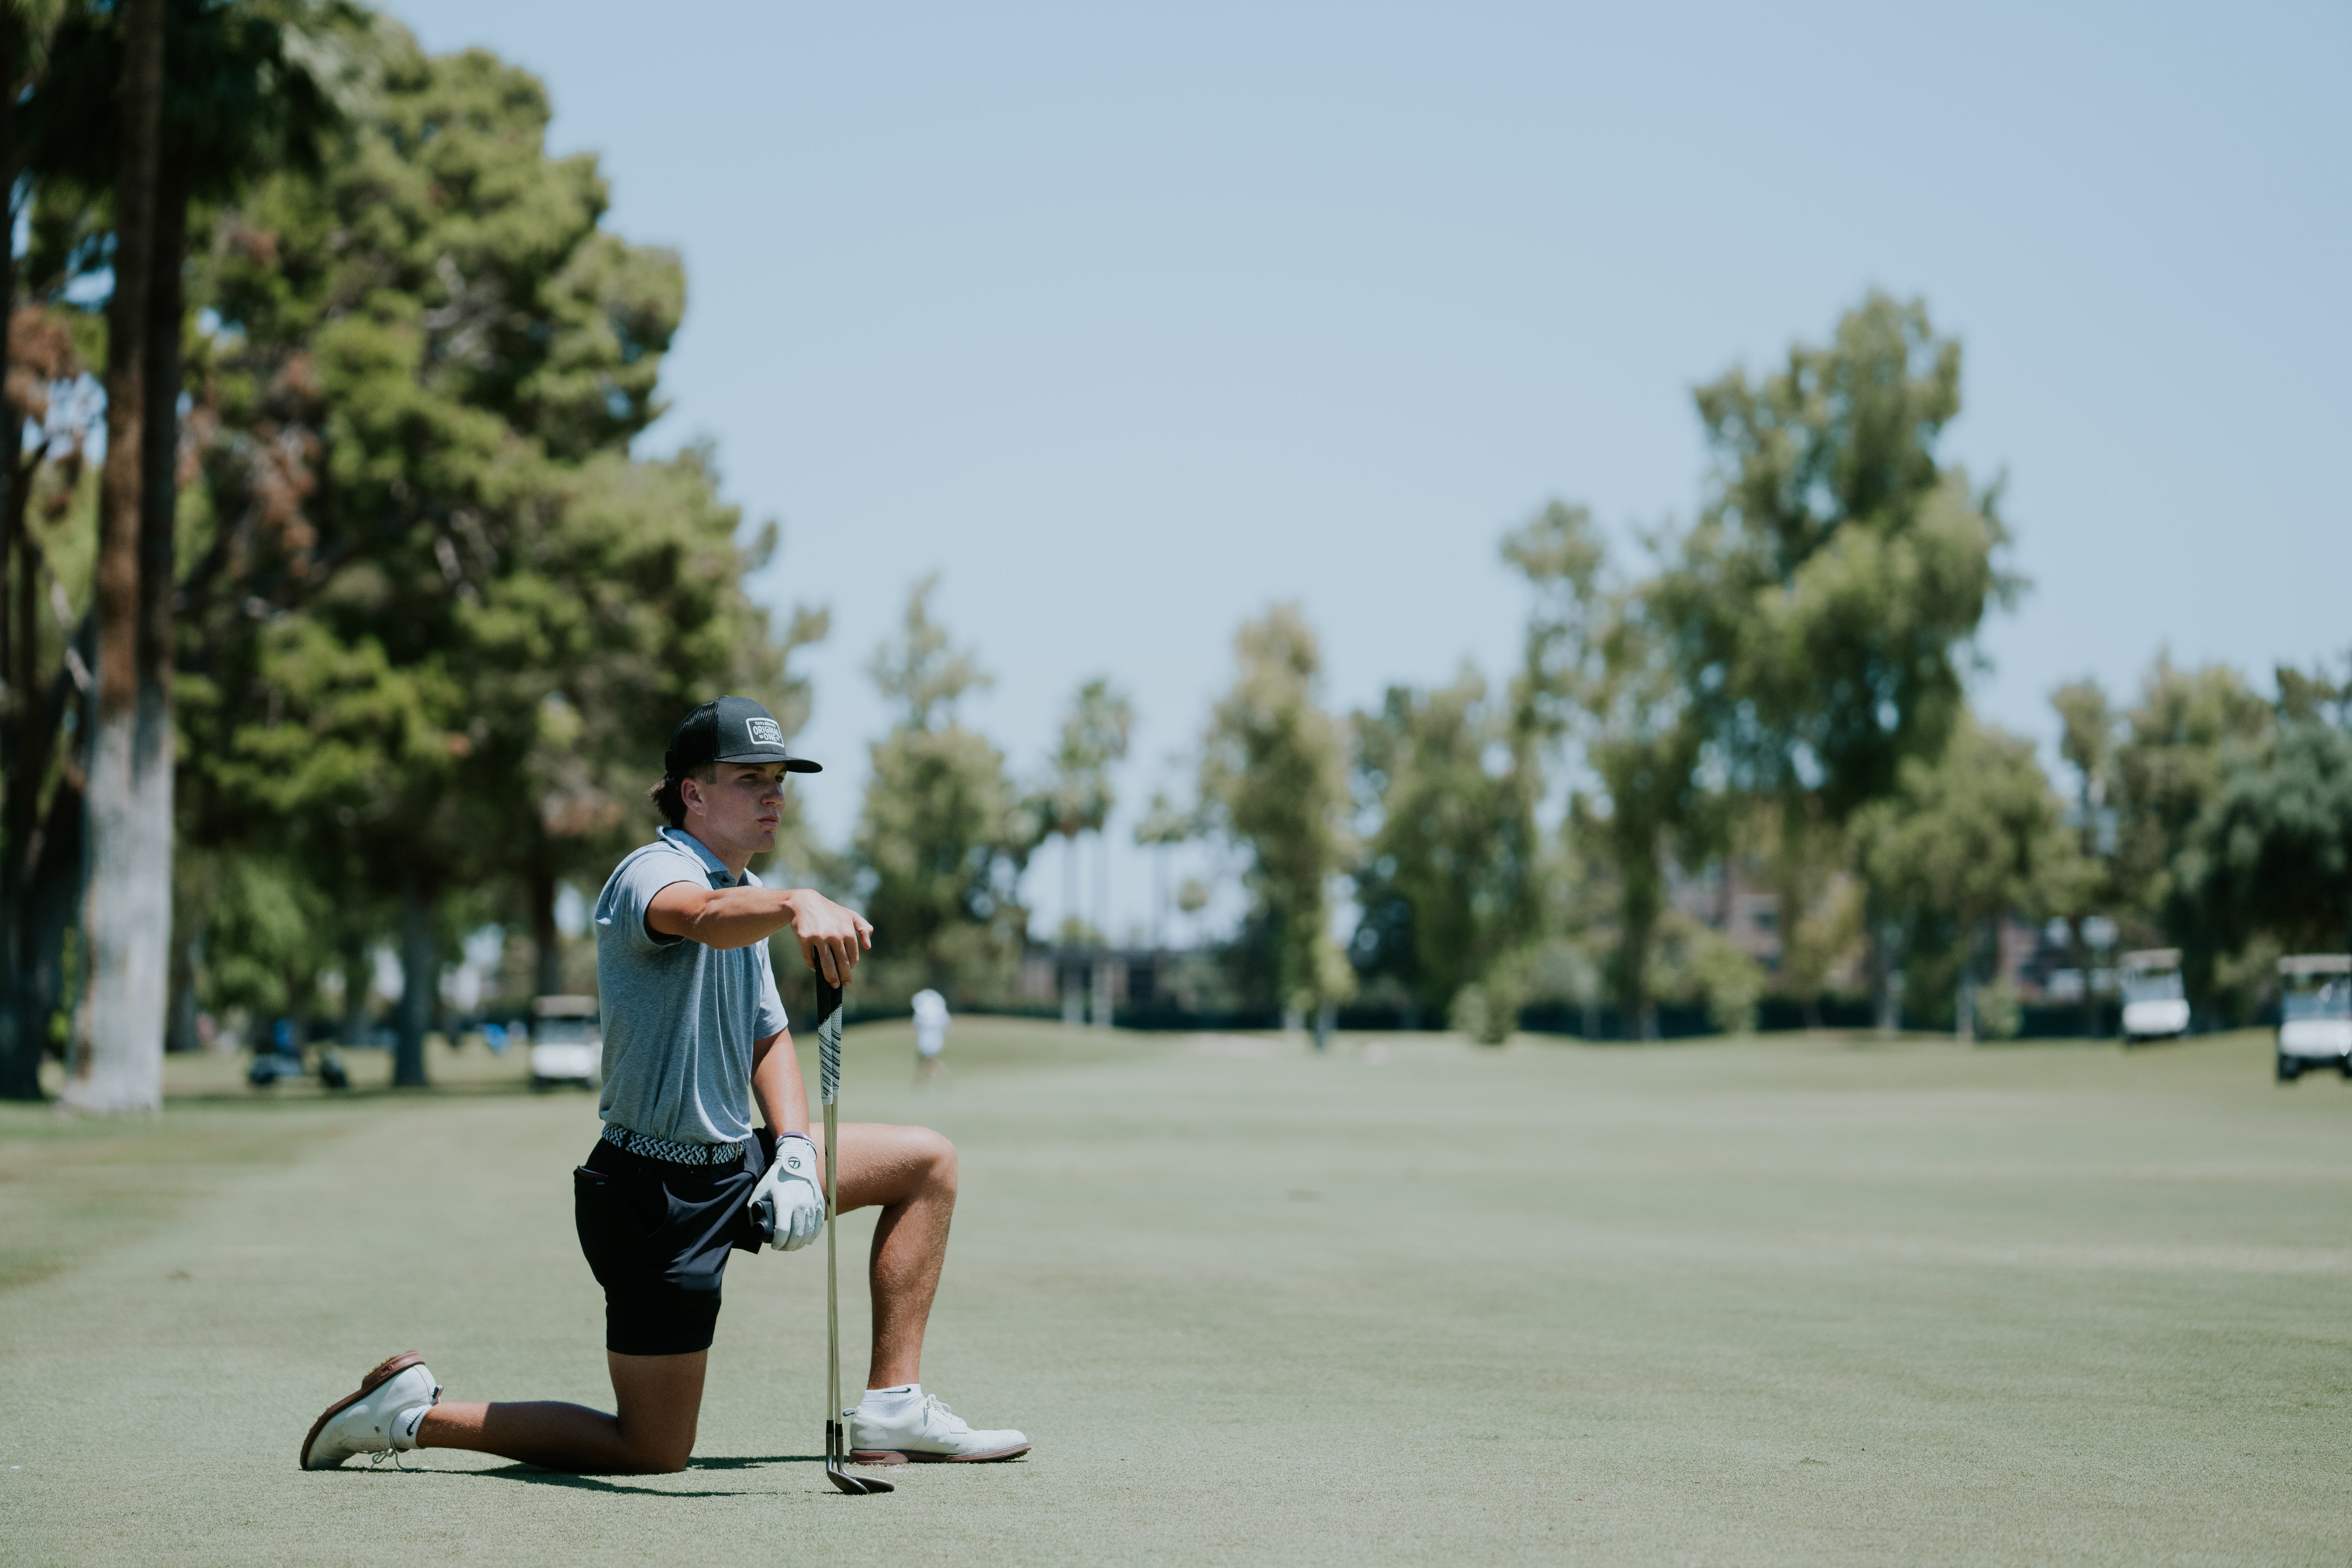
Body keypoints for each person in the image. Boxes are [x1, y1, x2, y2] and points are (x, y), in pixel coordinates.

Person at [299, 696, 1030, 1474]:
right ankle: (411, 1417)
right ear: (693, 792)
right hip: (652, 1196)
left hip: (735, 1166)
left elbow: (767, 1034)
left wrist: (788, 1148)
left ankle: (894, 1409)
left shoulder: (744, 887)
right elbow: (703, 915)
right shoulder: (654, 873)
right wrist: (795, 902)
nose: (773, 796)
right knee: (651, 1450)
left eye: (780, 780)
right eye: (751, 780)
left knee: (928, 1163)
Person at [911, 987, 950, 1083]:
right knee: (927, 1060)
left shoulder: (923, 1013)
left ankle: (939, 1077)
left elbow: (915, 1025)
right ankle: (932, 1078)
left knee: (930, 1060)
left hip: (929, 1041)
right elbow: (947, 1024)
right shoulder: (938, 1012)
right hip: (932, 1040)